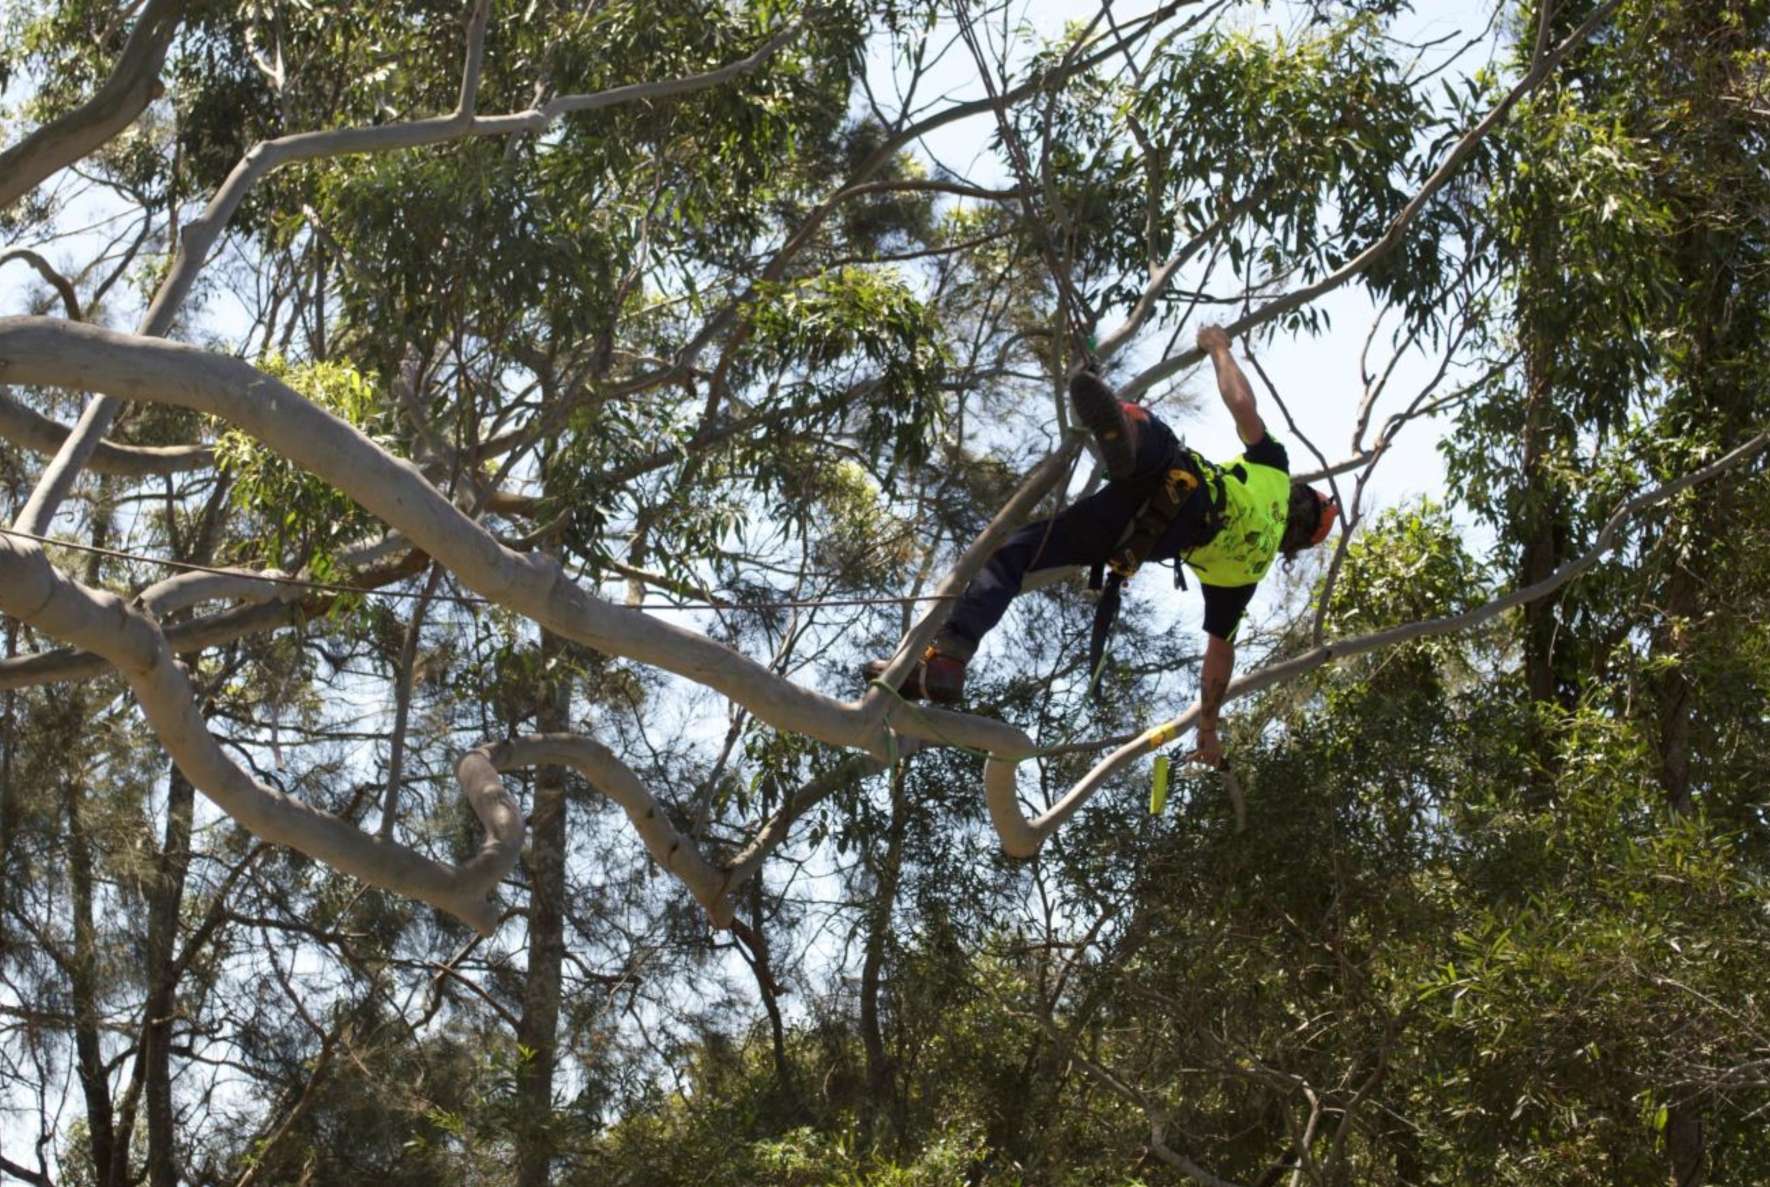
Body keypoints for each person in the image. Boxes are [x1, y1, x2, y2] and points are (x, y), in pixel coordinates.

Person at [874, 325, 1337, 768]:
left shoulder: (1275, 470)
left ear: (1301, 496)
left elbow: (1242, 406)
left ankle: (1127, 433)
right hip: (1147, 535)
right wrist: (1208, 732)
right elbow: (1220, 656)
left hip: (1180, 483)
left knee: (1147, 442)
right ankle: (949, 660)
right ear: (1291, 546)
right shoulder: (1246, 576)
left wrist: (1218, 348)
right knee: (1021, 553)